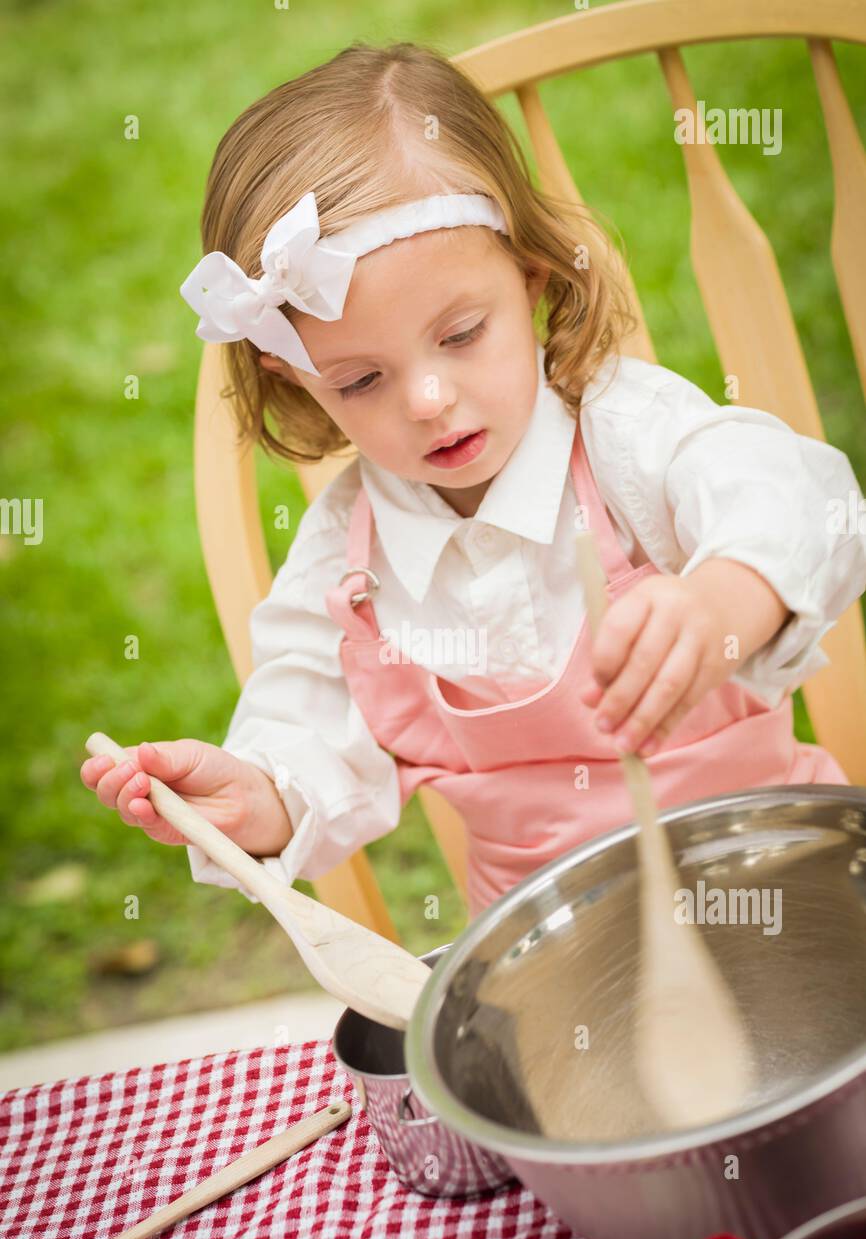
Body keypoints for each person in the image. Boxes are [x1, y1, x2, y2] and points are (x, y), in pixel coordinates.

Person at [81, 41, 866, 919]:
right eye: (361, 380)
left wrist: (726, 598)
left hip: (778, 878)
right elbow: (307, 741)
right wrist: (257, 799)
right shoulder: (348, 571)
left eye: (460, 336)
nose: (427, 398)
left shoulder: (625, 438)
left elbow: (805, 499)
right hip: (546, 952)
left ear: (531, 281)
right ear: (297, 382)